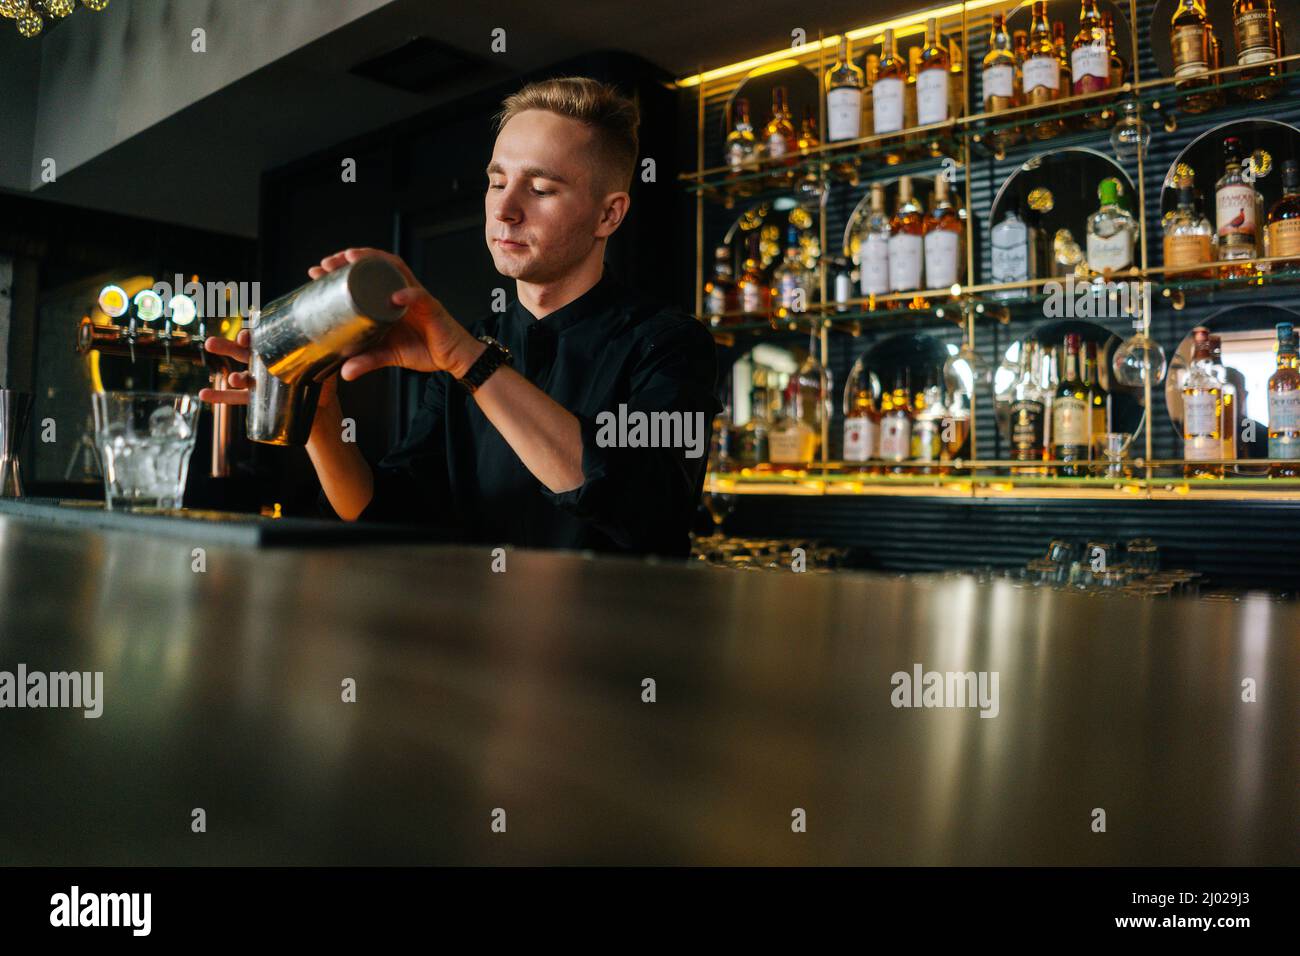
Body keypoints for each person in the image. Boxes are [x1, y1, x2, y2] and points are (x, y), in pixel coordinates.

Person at [201, 76, 720, 558]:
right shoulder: (474, 345)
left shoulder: (670, 342)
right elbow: (383, 513)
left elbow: (646, 509)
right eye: (497, 183)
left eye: (541, 190)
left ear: (609, 214)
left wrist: (469, 363)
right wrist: (320, 418)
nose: (505, 209)